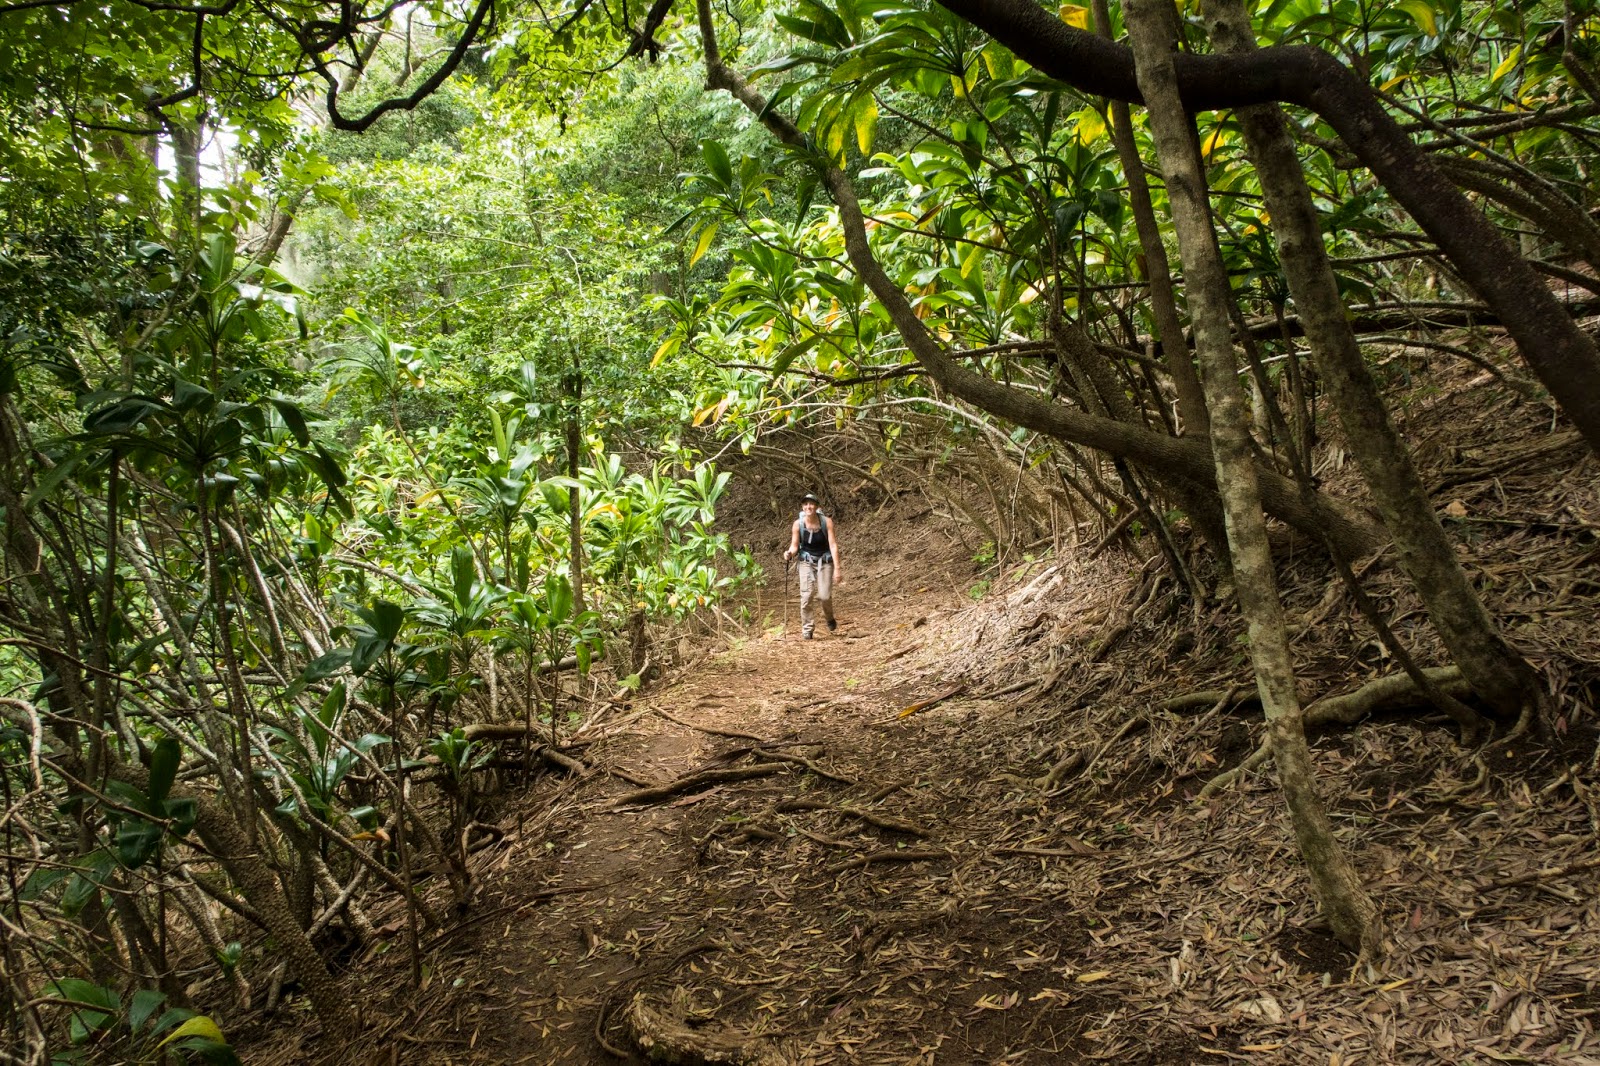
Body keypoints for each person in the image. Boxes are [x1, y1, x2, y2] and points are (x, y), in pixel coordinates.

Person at [782, 492, 842, 640]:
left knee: (824, 596)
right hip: (806, 561)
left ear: (816, 506)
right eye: (805, 504)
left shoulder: (826, 522)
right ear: (803, 507)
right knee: (806, 595)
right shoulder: (798, 524)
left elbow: (833, 545)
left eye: (811, 504)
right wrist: (789, 553)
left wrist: (838, 569)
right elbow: (795, 545)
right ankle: (807, 629)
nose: (808, 507)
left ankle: (829, 618)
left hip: (825, 561)